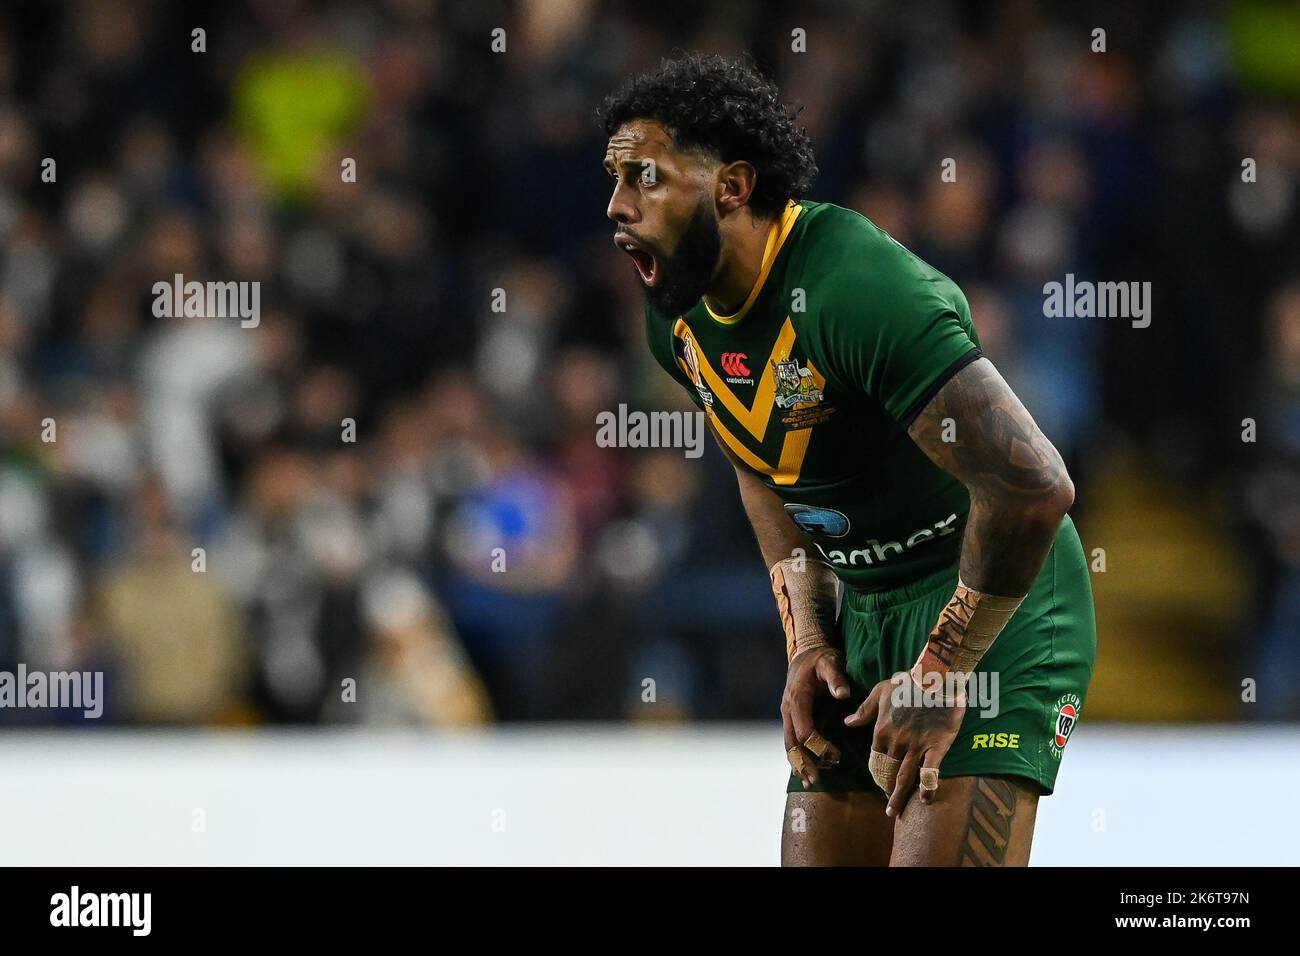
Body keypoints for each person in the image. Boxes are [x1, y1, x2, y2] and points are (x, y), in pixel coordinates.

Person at [597, 52, 1096, 866]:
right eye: (614, 180)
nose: (617, 207)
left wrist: (941, 668)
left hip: (995, 600)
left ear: (731, 186)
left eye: (643, 178)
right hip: (864, 607)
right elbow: (756, 463)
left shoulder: (857, 287)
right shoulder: (676, 318)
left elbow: (1036, 488)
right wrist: (807, 640)